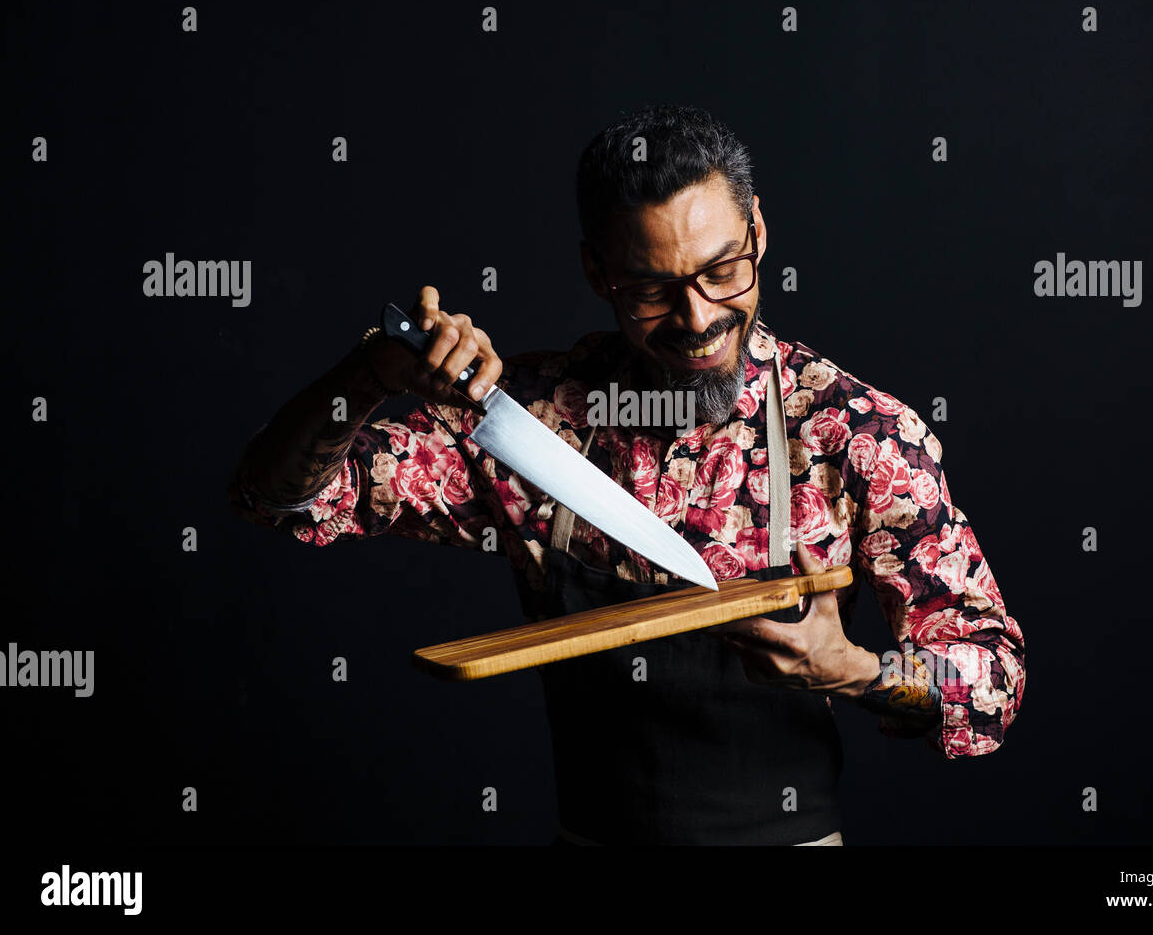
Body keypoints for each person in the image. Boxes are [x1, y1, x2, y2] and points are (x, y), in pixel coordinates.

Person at [226, 105, 1026, 846]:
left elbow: (992, 679)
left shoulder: (855, 434)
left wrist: (851, 668)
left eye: (723, 271)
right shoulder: (533, 426)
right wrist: (368, 375)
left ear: (759, 232)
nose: (699, 318)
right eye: (650, 289)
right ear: (597, 271)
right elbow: (279, 497)